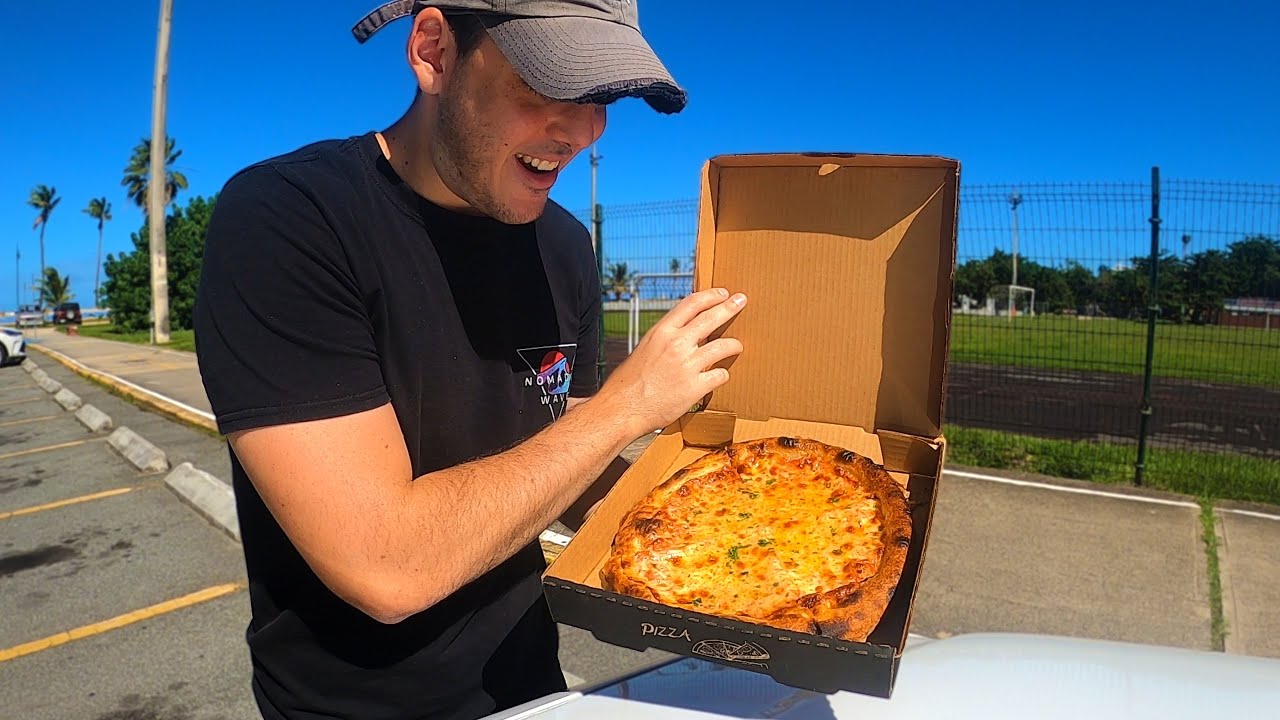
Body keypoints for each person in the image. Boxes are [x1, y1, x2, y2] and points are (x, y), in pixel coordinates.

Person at [192, 1, 747, 719]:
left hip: (529, 685)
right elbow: (386, 566)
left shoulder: (566, 248)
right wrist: (628, 407)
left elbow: (572, 469)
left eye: (603, 96)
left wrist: (729, 545)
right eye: (549, 83)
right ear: (433, 52)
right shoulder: (289, 222)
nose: (583, 130)